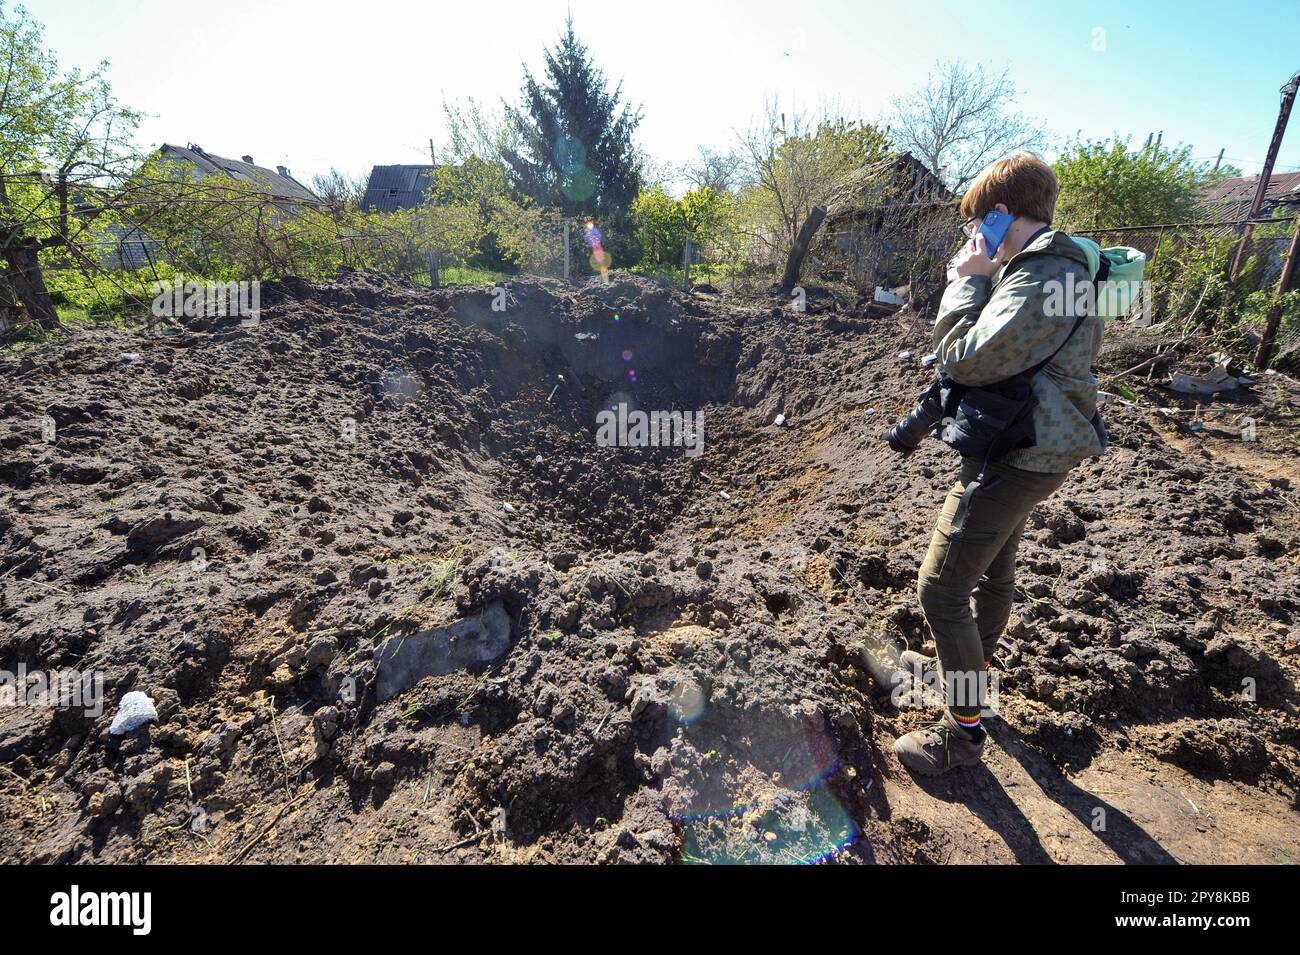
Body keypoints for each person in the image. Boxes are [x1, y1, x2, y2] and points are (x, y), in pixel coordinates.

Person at [890, 151, 1107, 776]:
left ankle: (962, 738)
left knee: (940, 590)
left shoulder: (1041, 277)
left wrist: (965, 279)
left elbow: (964, 358)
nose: (973, 236)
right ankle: (972, 677)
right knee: (992, 569)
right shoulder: (1054, 268)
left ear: (1000, 214)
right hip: (1030, 444)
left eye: (977, 223)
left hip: (1018, 452)